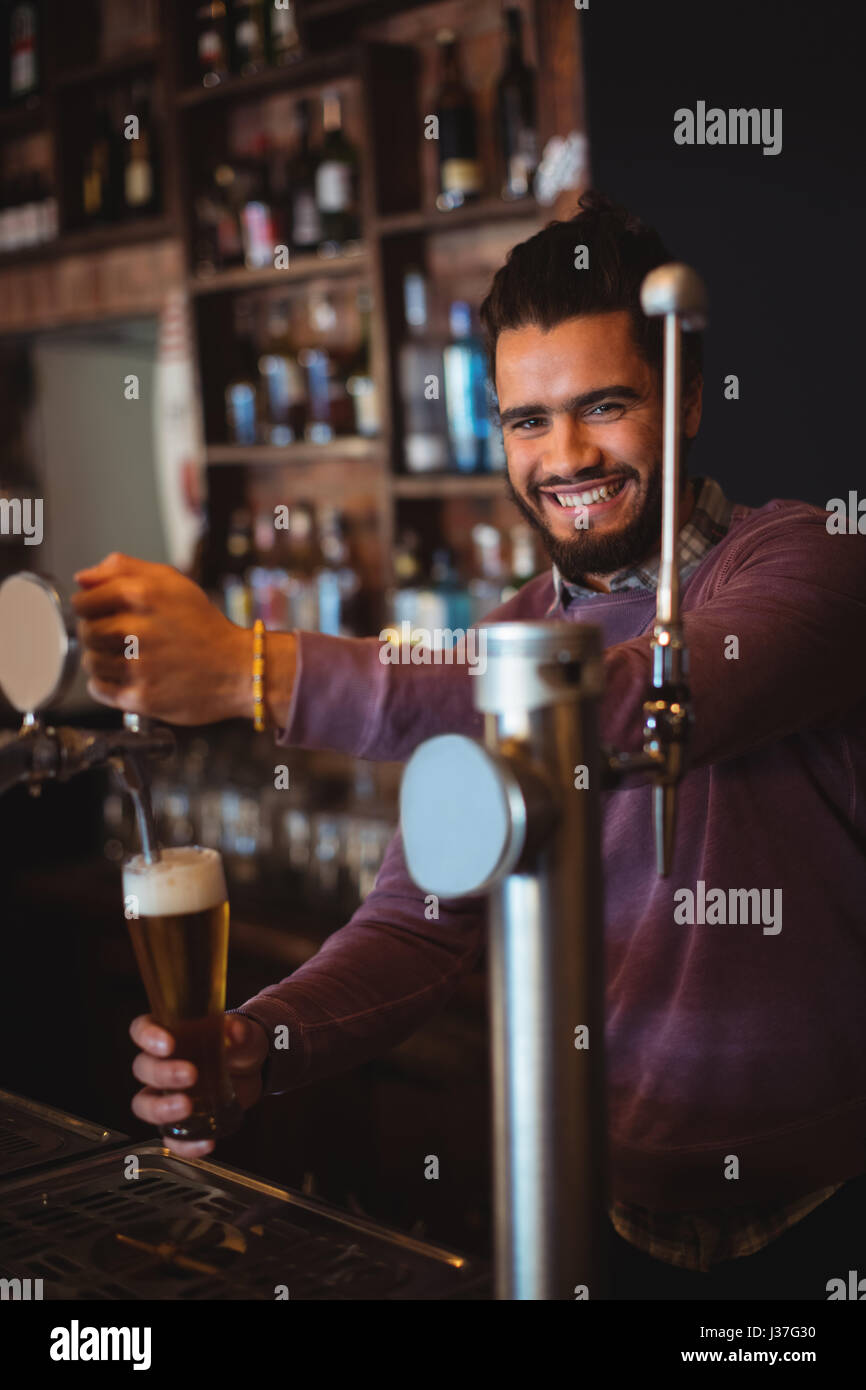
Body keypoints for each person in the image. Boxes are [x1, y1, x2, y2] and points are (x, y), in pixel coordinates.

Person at [72, 193, 866, 1299]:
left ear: (682, 398)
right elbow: (419, 921)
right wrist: (262, 1043)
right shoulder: (501, 642)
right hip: (605, 1211)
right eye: (527, 420)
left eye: (602, 406)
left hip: (832, 1216)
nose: (565, 457)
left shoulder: (811, 563)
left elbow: (639, 697)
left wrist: (255, 671)